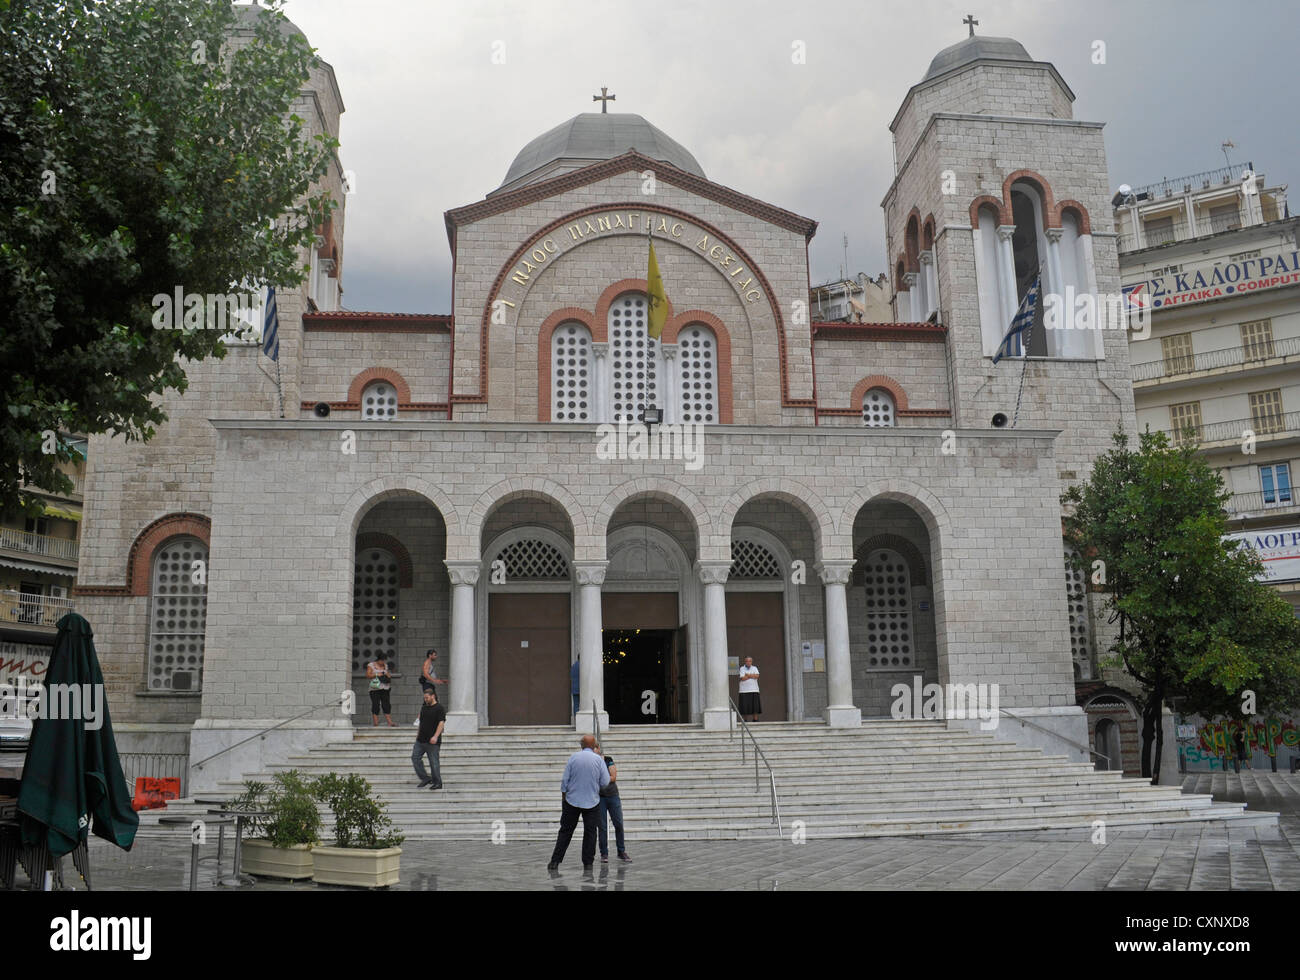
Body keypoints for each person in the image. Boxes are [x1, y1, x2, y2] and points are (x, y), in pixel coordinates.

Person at [547, 734, 609, 872]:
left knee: (565, 832)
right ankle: (588, 863)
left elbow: (565, 780)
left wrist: (564, 795)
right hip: (592, 801)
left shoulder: (573, 757)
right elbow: (605, 782)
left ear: (582, 745)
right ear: (594, 746)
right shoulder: (598, 760)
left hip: (572, 800)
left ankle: (555, 861)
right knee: (590, 833)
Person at [594, 743, 630, 864]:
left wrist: (600, 778)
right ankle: (604, 853)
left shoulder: (608, 760)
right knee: (602, 827)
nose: (594, 751)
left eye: (595, 749)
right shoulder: (591, 763)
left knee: (618, 823)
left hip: (612, 796)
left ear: (599, 749)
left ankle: (621, 851)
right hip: (599, 798)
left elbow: (613, 777)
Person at [412, 687, 445, 789]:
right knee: (415, 758)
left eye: (427, 698)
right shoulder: (424, 708)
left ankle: (438, 782)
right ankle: (425, 778)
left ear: (433, 696)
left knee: (433, 762)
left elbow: (441, 723)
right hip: (421, 740)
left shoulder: (439, 708)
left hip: (432, 741)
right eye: (424, 698)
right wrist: (418, 735)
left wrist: (435, 736)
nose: (425, 700)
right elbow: (421, 722)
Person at [366, 652, 395, 727]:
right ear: (378, 659)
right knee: (376, 704)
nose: (383, 662)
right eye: (382, 660)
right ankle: (376, 723)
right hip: (375, 688)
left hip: (385, 687)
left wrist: (388, 675)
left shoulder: (385, 666)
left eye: (384, 660)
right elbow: (368, 675)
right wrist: (377, 674)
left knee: (386, 704)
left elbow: (387, 673)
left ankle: (390, 722)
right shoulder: (371, 665)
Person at [738, 656, 761, 722]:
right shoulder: (742, 668)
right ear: (745, 662)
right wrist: (752, 676)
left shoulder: (755, 668)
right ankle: (745, 720)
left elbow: (757, 676)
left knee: (755, 706)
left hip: (754, 689)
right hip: (744, 690)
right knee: (745, 706)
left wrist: (748, 675)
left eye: (750, 661)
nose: (748, 662)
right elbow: (742, 678)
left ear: (752, 662)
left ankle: (755, 720)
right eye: (747, 661)